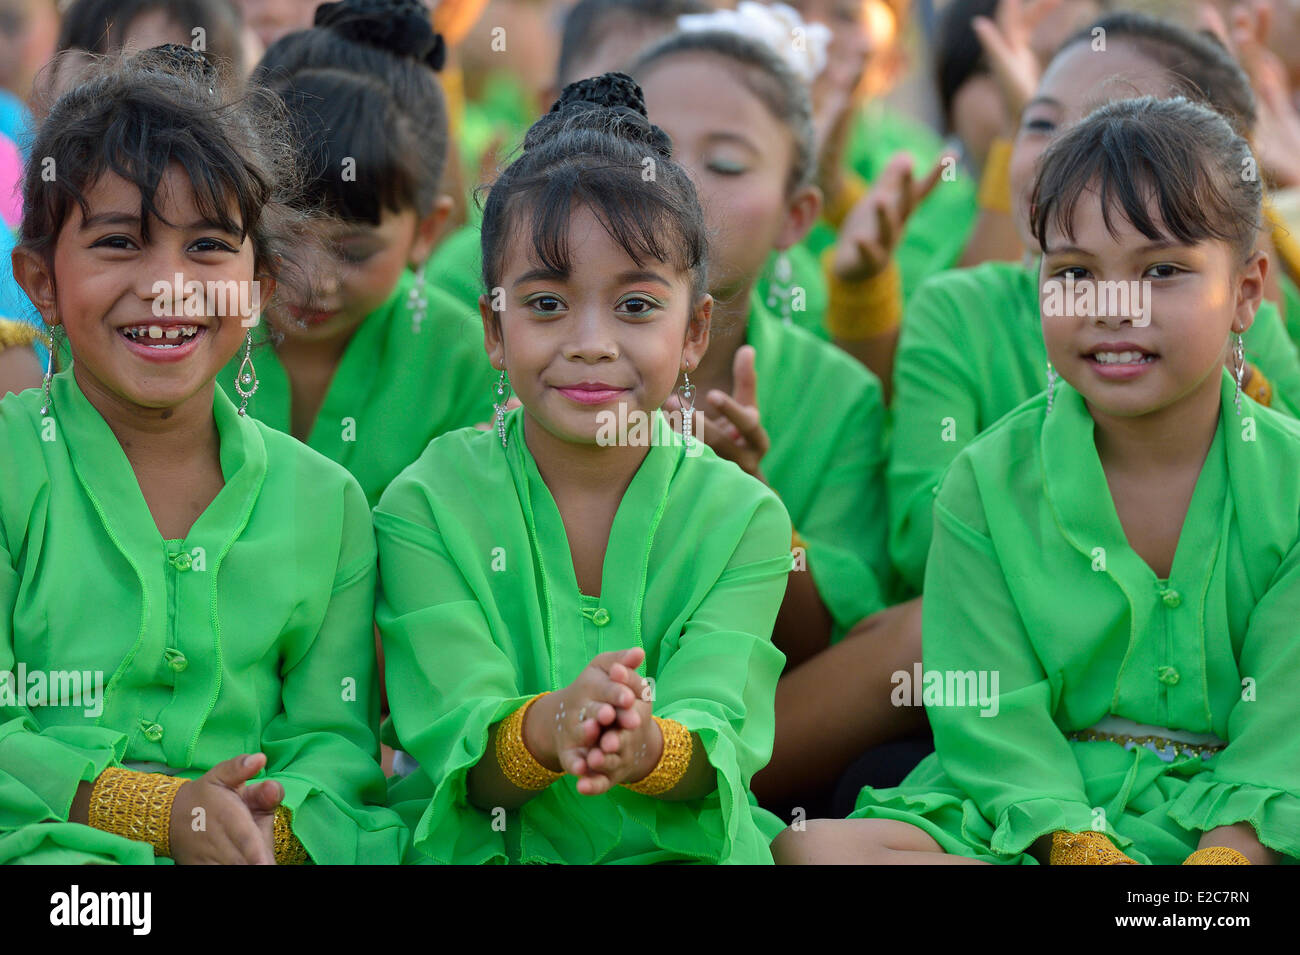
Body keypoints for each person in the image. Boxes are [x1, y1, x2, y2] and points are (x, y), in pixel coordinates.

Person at [776, 96, 1300, 866]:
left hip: (1243, 813)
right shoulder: (985, 483)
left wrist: (1220, 868)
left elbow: (1283, 734)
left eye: (1161, 270)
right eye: (1075, 273)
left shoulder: (1288, 479)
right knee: (810, 849)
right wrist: (1078, 846)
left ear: (1247, 292)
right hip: (1032, 813)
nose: (1114, 308)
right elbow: (992, 719)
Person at [0, 46, 404, 864]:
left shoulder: (327, 505)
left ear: (258, 287)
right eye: (119, 242)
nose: (171, 286)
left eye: (210, 247)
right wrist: (157, 810)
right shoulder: (12, 465)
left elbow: (335, 748)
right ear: (41, 281)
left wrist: (261, 829)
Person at [379, 73, 792, 864]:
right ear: (494, 331)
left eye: (636, 306)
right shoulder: (426, 504)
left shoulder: (743, 517)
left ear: (696, 331)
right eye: (545, 304)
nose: (591, 341)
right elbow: (461, 761)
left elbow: (719, 739)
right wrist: (555, 725)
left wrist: (645, 748)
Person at [889, 11, 1300, 594]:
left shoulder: (1219, 308)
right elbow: (923, 547)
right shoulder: (956, 312)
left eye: (1118, 130)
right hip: (989, 608)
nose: (1070, 153)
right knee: (912, 636)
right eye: (1038, 120)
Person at [222, 0, 492, 508]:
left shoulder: (466, 362)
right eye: (282, 238)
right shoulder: (190, 326)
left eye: (354, 251)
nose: (314, 279)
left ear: (426, 231)